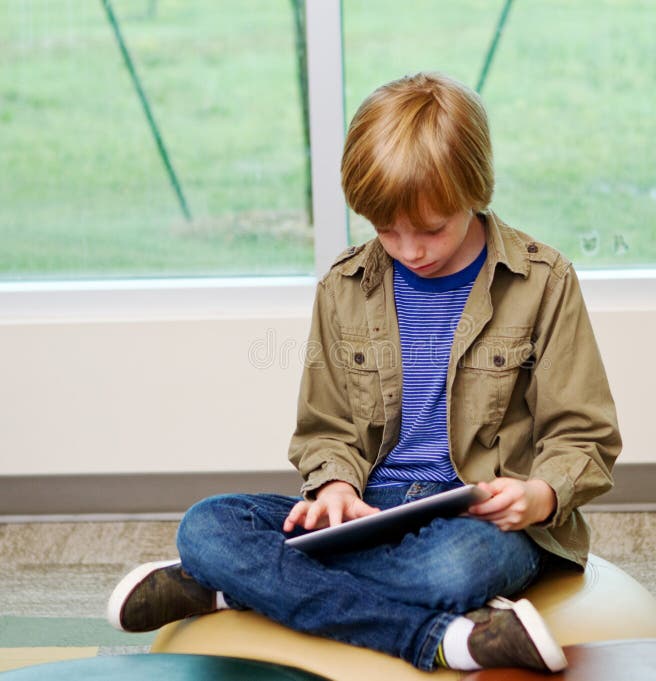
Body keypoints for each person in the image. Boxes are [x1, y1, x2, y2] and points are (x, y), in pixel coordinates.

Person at [107, 71, 621, 673]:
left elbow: (583, 434)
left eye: (432, 228)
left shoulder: (544, 282)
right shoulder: (344, 286)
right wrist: (336, 488)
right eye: (385, 229)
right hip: (368, 510)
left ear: (476, 190)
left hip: (477, 523)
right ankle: (440, 639)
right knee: (208, 527)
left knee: (454, 569)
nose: (409, 250)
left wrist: (539, 495)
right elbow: (325, 427)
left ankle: (235, 589)